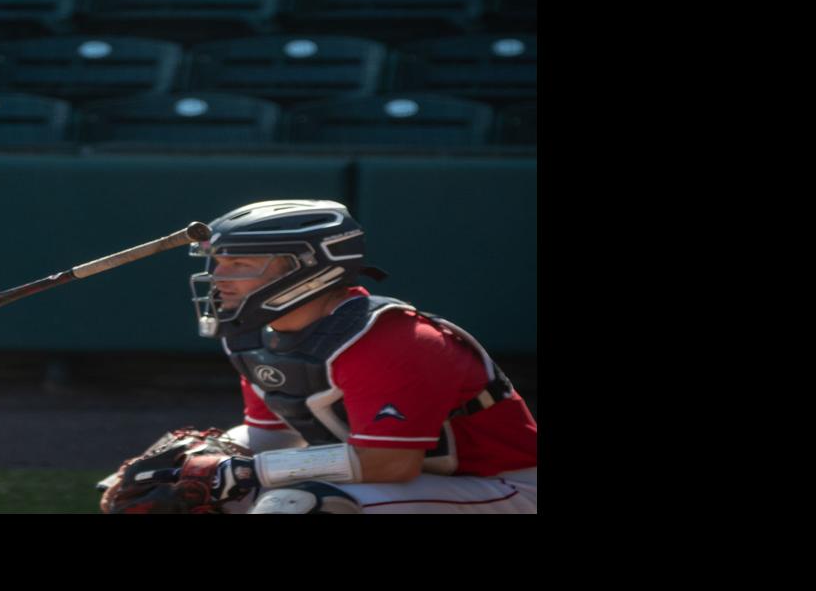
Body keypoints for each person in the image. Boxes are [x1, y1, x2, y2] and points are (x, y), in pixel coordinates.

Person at [104, 199, 537, 513]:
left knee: (298, 505)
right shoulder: (256, 336)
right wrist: (193, 463)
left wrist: (241, 472)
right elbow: (273, 437)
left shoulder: (394, 339)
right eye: (217, 262)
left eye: (241, 263)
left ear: (307, 267)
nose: (219, 277)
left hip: (499, 487)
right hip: (405, 485)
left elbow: (391, 463)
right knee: (175, 499)